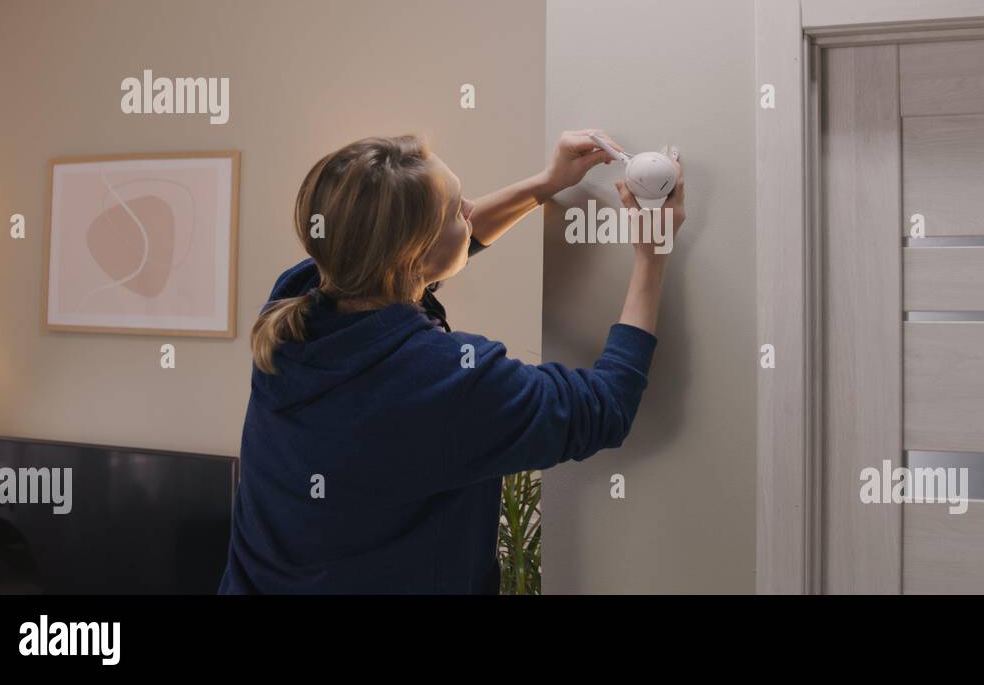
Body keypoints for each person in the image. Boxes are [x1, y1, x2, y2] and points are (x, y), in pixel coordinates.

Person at [217, 130, 685, 593]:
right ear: (412, 253)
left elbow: (427, 257)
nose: (471, 211)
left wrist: (546, 183)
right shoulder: (448, 380)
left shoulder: (295, 301)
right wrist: (652, 254)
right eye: (457, 209)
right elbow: (604, 406)